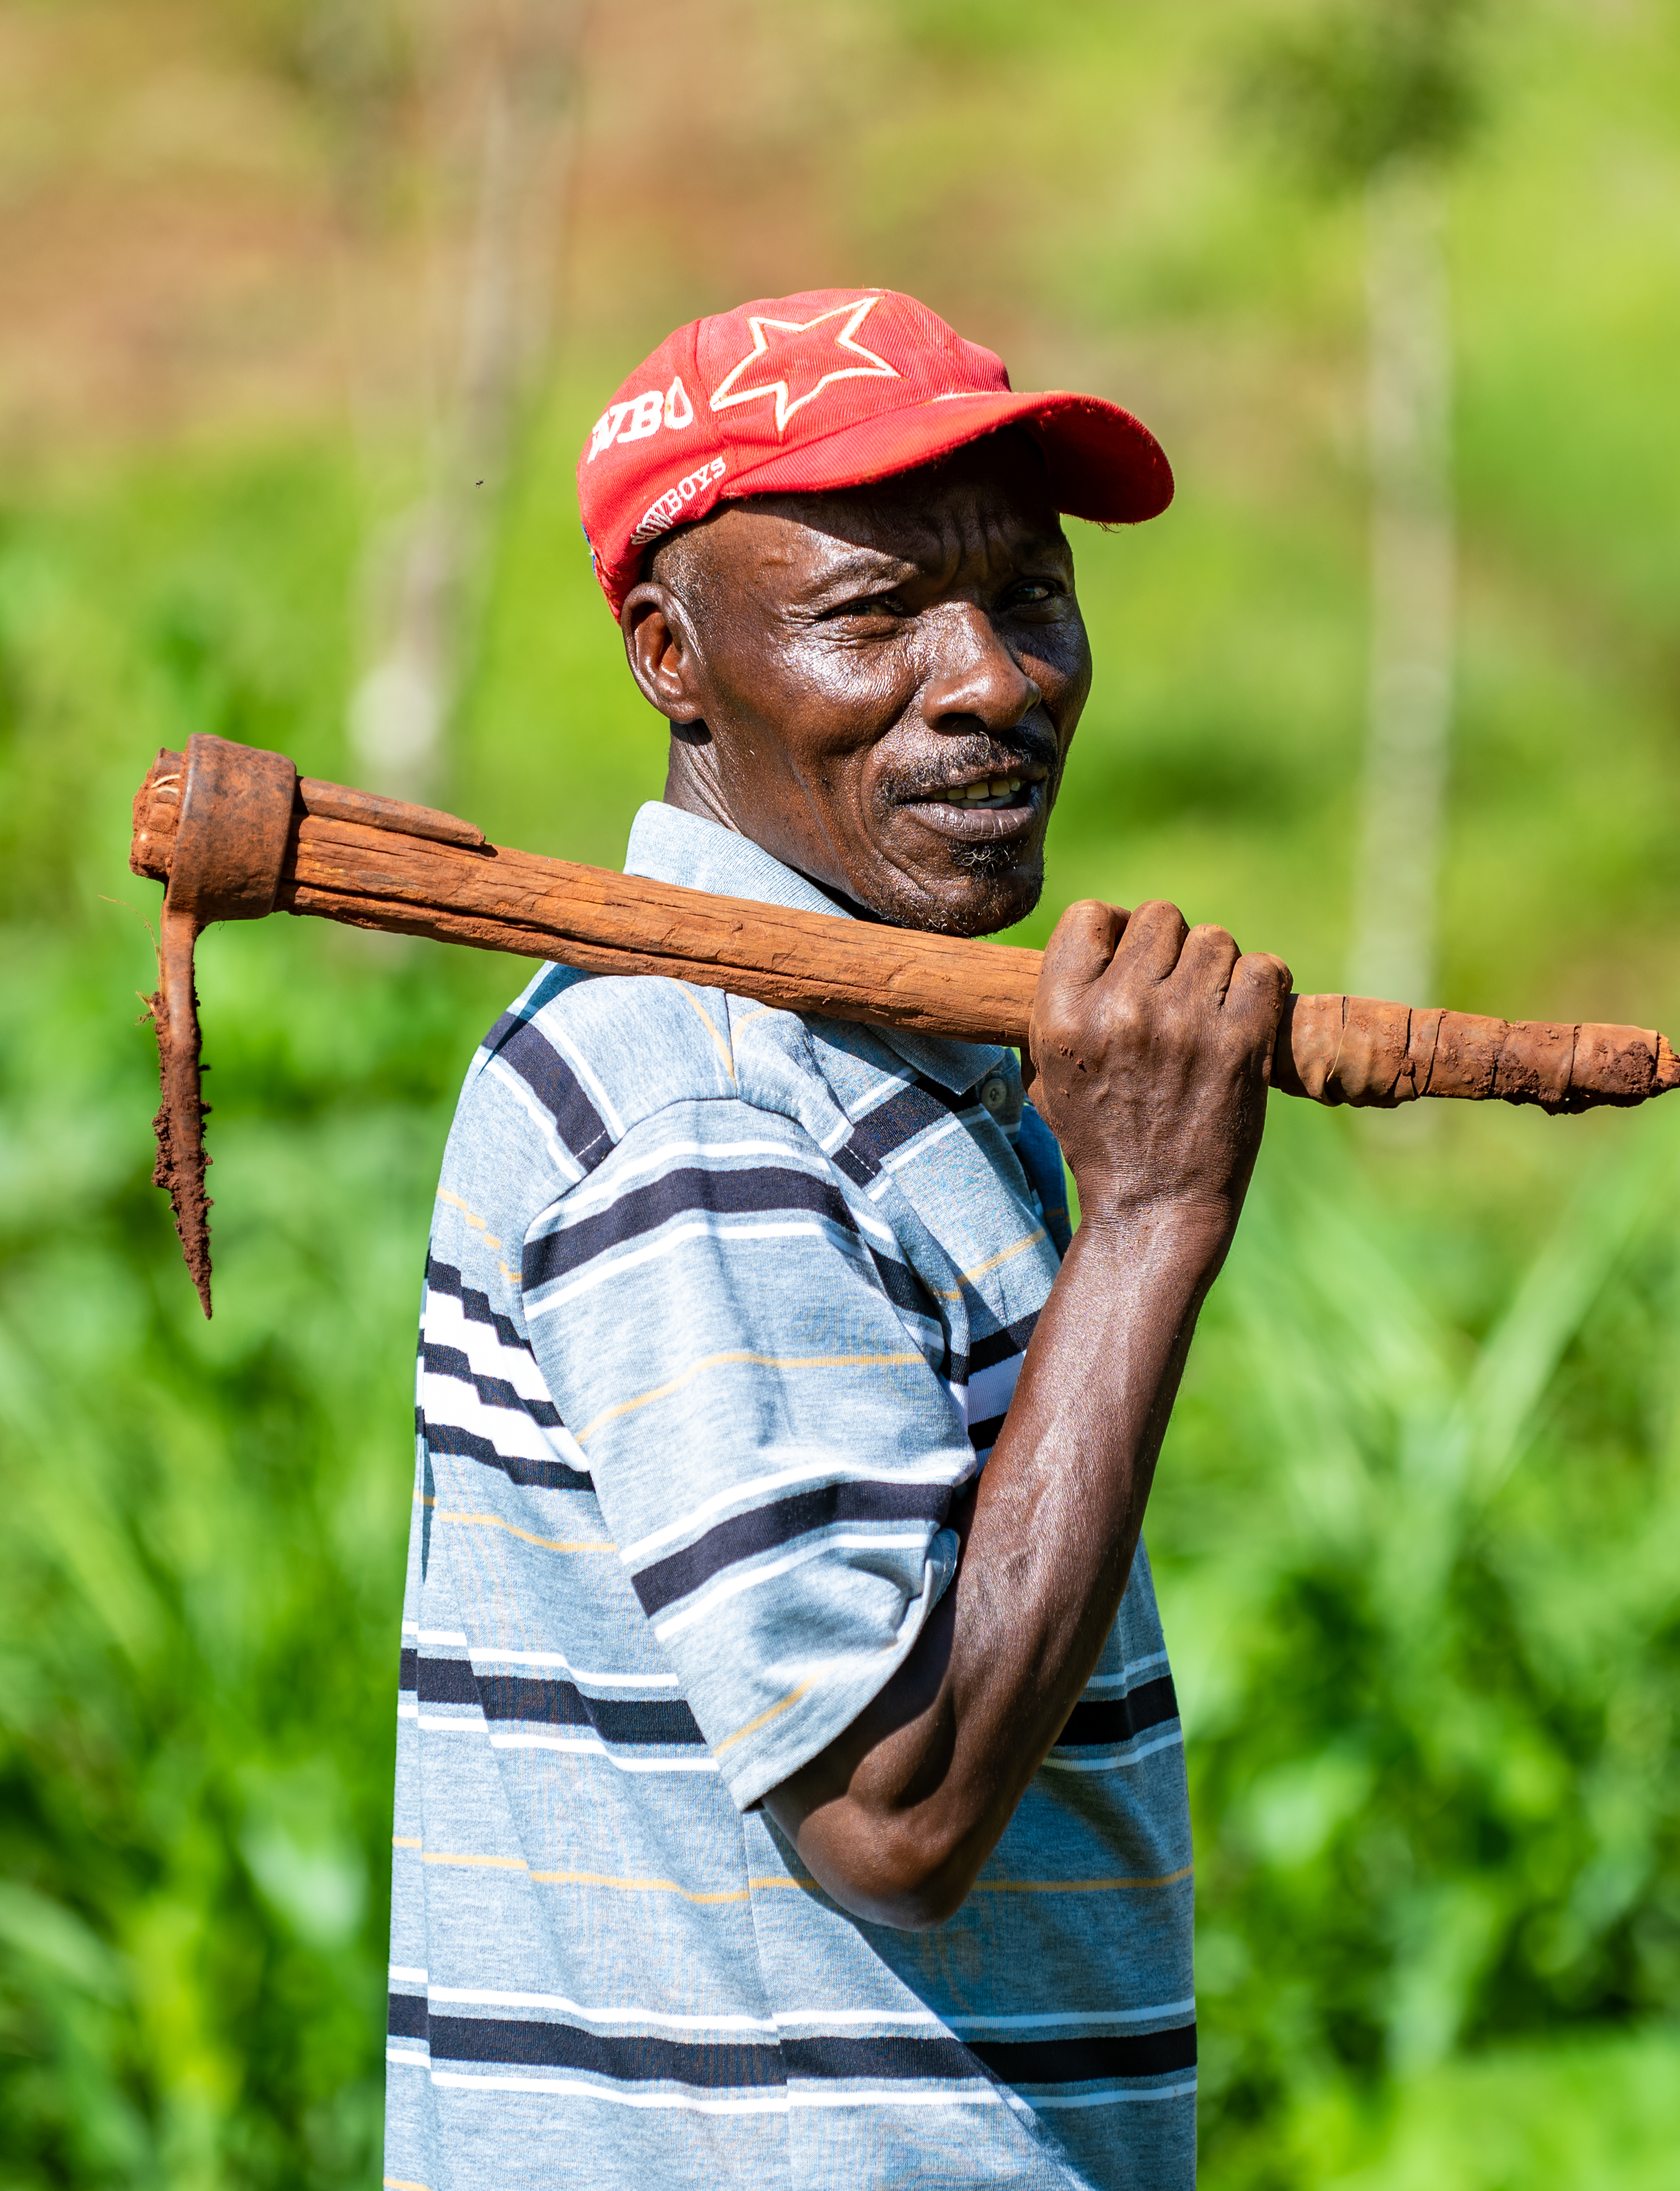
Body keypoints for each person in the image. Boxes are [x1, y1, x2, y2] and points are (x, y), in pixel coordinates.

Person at [387, 288, 1283, 2191]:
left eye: (1028, 597)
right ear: (672, 657)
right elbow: (894, 1805)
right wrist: (1143, 1221)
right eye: (873, 618)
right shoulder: (699, 1104)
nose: (993, 680)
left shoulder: (866, 1054)